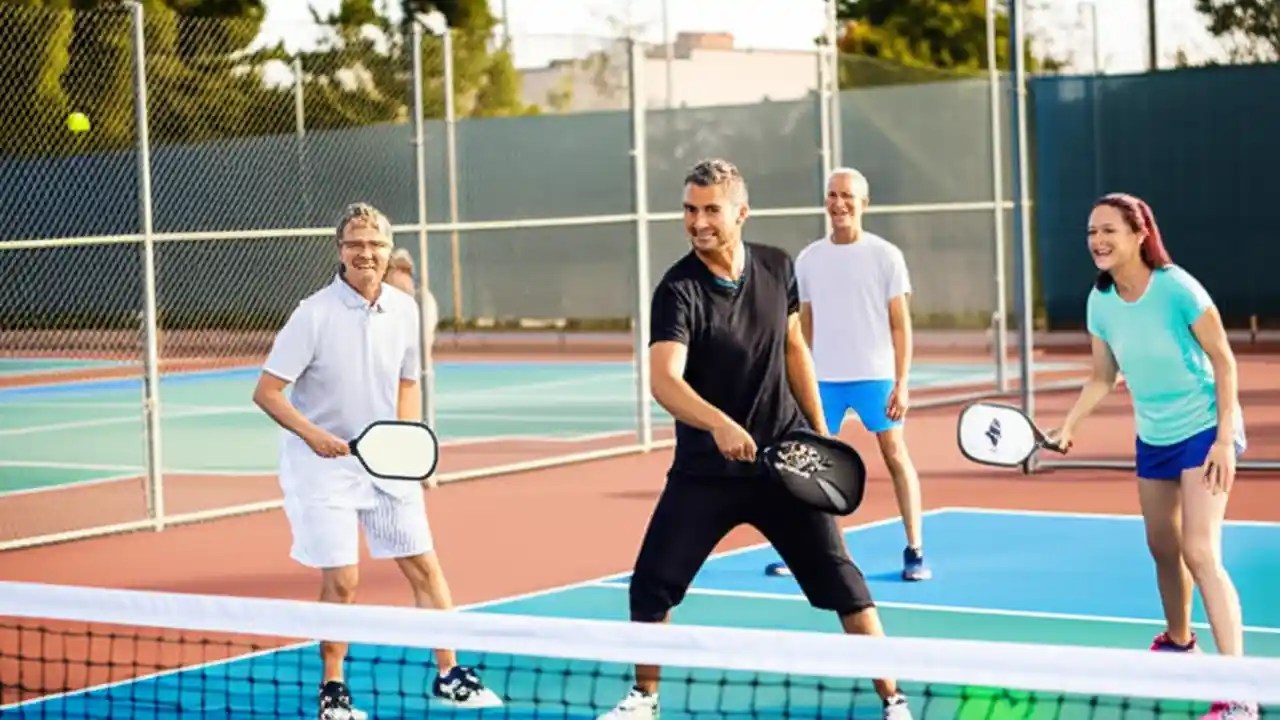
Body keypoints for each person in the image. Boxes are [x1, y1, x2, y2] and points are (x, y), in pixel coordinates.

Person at [596, 159, 913, 720]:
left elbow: (794, 347)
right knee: (651, 586)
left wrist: (817, 432)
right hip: (705, 473)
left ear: (740, 212)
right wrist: (717, 423)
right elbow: (664, 379)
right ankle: (645, 699)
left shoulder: (776, 265)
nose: (698, 221)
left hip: (785, 463)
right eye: (690, 209)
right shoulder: (678, 291)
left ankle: (894, 698)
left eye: (711, 209)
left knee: (844, 584)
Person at [251, 202, 501, 720]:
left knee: (425, 568)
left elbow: (408, 382)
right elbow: (268, 392)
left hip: (387, 465)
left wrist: (405, 446)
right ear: (340, 251)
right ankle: (334, 687)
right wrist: (315, 436)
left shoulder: (405, 309)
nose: (365, 253)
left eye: (375, 244)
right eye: (355, 244)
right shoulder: (312, 313)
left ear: (389, 251)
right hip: (322, 468)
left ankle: (450, 672)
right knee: (343, 582)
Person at [1046, 192, 1255, 720]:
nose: (1097, 240)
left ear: (1140, 234)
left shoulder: (1177, 288)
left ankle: (1240, 691)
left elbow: (1224, 361)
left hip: (1204, 428)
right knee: (1162, 546)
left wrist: (1224, 439)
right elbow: (1102, 376)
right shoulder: (1100, 302)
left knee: (1200, 552)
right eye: (1091, 231)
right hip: (1154, 435)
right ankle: (1179, 644)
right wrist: (1069, 424)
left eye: (1108, 230)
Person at [789, 167, 930, 582]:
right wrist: (802, 381)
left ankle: (915, 548)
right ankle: (807, 550)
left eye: (847, 196)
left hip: (876, 375)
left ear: (864, 204)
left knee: (895, 455)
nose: (839, 203)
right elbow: (804, 327)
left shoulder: (886, 256)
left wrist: (902, 382)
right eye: (832, 195)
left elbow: (900, 324)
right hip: (824, 381)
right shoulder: (809, 258)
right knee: (811, 464)